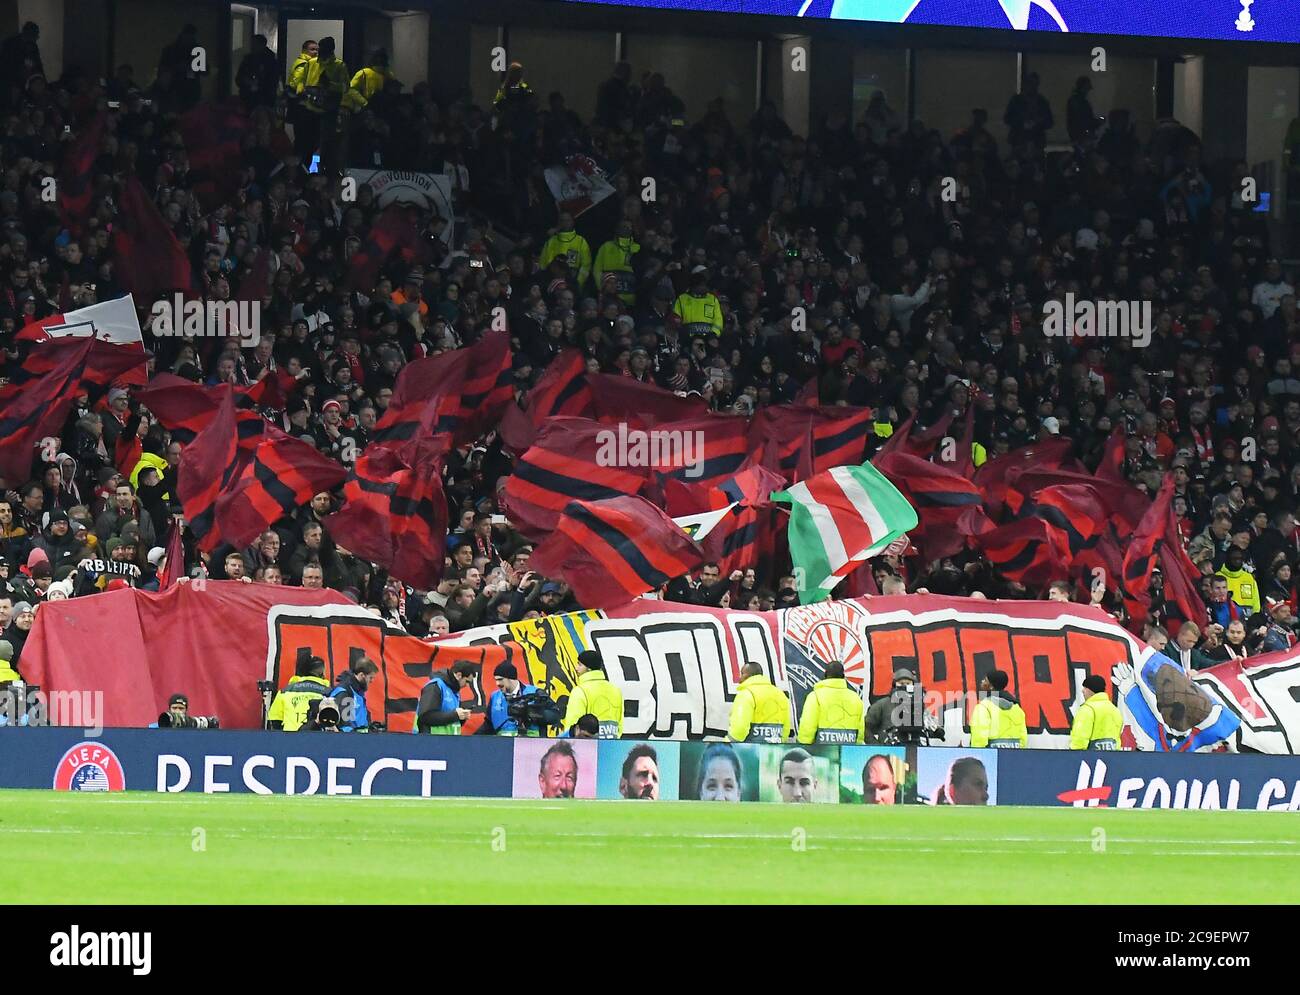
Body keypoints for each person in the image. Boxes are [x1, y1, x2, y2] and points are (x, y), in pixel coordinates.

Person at [796, 662, 864, 745]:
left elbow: (807, 727)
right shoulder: (855, 698)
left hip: (822, 751)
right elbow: (860, 731)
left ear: (825, 675)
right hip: (848, 750)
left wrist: (803, 744)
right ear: (843, 676)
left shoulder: (815, 696)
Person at [482, 662, 557, 736]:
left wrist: (531, 713)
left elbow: (555, 715)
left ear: (510, 678)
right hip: (504, 746)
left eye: (500, 679)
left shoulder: (535, 693)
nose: (497, 683)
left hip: (532, 745)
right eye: (496, 680)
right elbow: (488, 725)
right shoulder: (494, 697)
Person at [562, 650, 623, 738]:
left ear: (589, 668)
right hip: (611, 746)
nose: (576, 668)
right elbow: (620, 725)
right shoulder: (616, 690)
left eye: (580, 664)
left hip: (587, 748)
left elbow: (572, 728)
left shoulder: (580, 691)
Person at [728, 662, 791, 743]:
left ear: (748, 675)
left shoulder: (746, 694)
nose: (739, 678)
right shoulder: (780, 694)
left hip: (751, 751)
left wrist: (728, 743)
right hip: (775, 750)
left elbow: (740, 729)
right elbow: (785, 728)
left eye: (742, 674)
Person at [266, 656, 331, 732]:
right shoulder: (329, 693)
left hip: (289, 740)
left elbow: (274, 722)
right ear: (322, 673)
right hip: (319, 741)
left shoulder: (284, 692)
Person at [969, 669, 1028, 748]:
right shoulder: (1016, 708)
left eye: (985, 680)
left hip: (992, 756)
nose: (982, 682)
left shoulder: (984, 707)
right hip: (1014, 755)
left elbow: (979, 737)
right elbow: (1023, 737)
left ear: (991, 686)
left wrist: (977, 753)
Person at [414, 659, 475, 734]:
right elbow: (425, 716)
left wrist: (461, 717)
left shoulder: (454, 691)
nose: (467, 685)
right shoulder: (435, 686)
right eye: (467, 681)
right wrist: (455, 715)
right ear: (459, 675)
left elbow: (450, 722)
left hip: (446, 742)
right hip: (430, 741)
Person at [1069, 675, 1123, 750]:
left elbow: (1079, 740)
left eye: (1085, 687)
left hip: (1089, 759)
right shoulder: (1114, 709)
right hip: (1112, 758)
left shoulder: (1087, 709)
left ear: (1090, 690)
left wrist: (1074, 755)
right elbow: (1117, 739)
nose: (1082, 691)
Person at [865, 668, 916, 743]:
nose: (904, 686)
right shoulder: (882, 704)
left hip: (914, 750)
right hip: (888, 750)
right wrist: (876, 746)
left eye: (908, 683)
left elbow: (929, 728)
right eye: (901, 683)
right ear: (894, 684)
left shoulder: (918, 705)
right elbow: (866, 728)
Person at [328, 657, 378, 731]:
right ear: (361, 675)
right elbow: (345, 724)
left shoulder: (358, 691)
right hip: (350, 739)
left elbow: (359, 719)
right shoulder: (345, 691)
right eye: (370, 678)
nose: (372, 681)